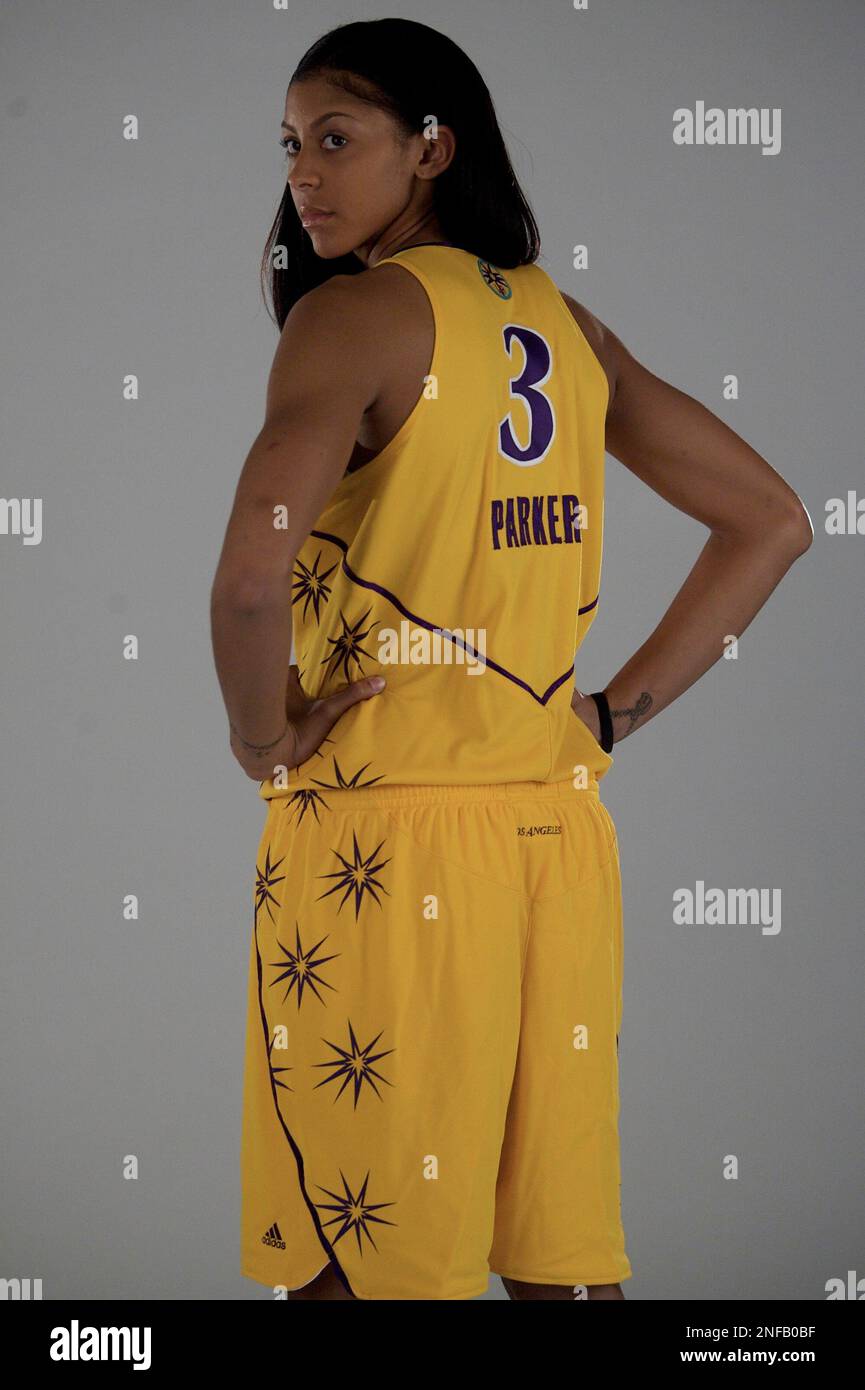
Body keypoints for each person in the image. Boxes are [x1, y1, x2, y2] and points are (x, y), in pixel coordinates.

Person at [210, 18, 812, 1302]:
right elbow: (772, 521)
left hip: (385, 841)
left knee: (361, 1260)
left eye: (335, 138)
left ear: (432, 147)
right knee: (559, 1252)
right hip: (555, 843)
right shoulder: (564, 324)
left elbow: (252, 578)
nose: (301, 176)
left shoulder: (353, 319)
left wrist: (262, 741)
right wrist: (608, 716)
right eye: (290, 146)